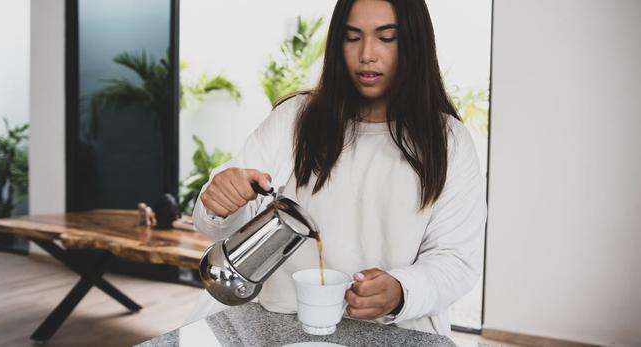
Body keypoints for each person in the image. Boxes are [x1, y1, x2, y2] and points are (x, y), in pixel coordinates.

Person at [191, 0, 487, 336]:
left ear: (415, 44)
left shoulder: (448, 141)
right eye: (352, 37)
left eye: (386, 38)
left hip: (398, 333)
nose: (366, 55)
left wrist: (402, 290)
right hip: (280, 325)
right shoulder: (295, 119)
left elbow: (457, 261)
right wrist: (219, 203)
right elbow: (214, 226)